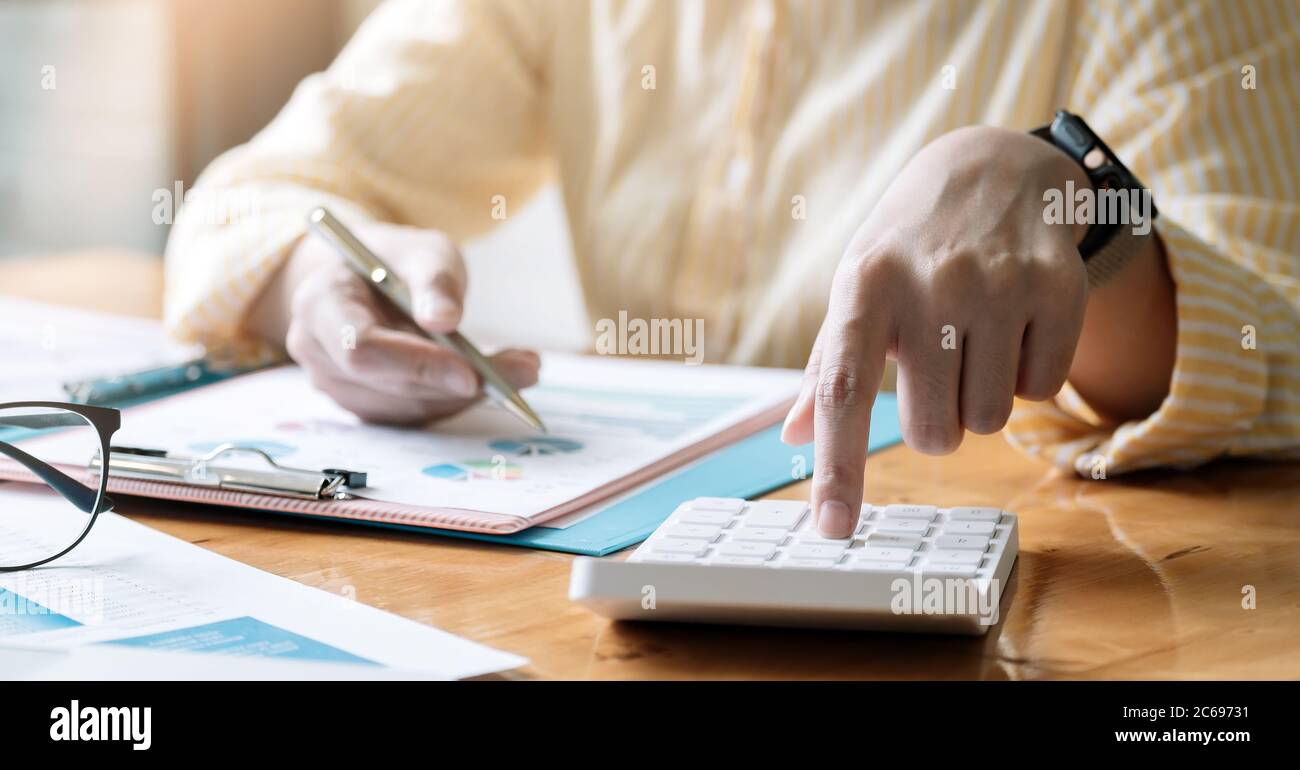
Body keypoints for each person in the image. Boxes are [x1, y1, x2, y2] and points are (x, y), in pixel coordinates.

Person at [165, 0, 1299, 538]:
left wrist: (1077, 204)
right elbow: (253, 196)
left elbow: (1277, 351)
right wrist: (315, 284)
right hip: (623, 615)